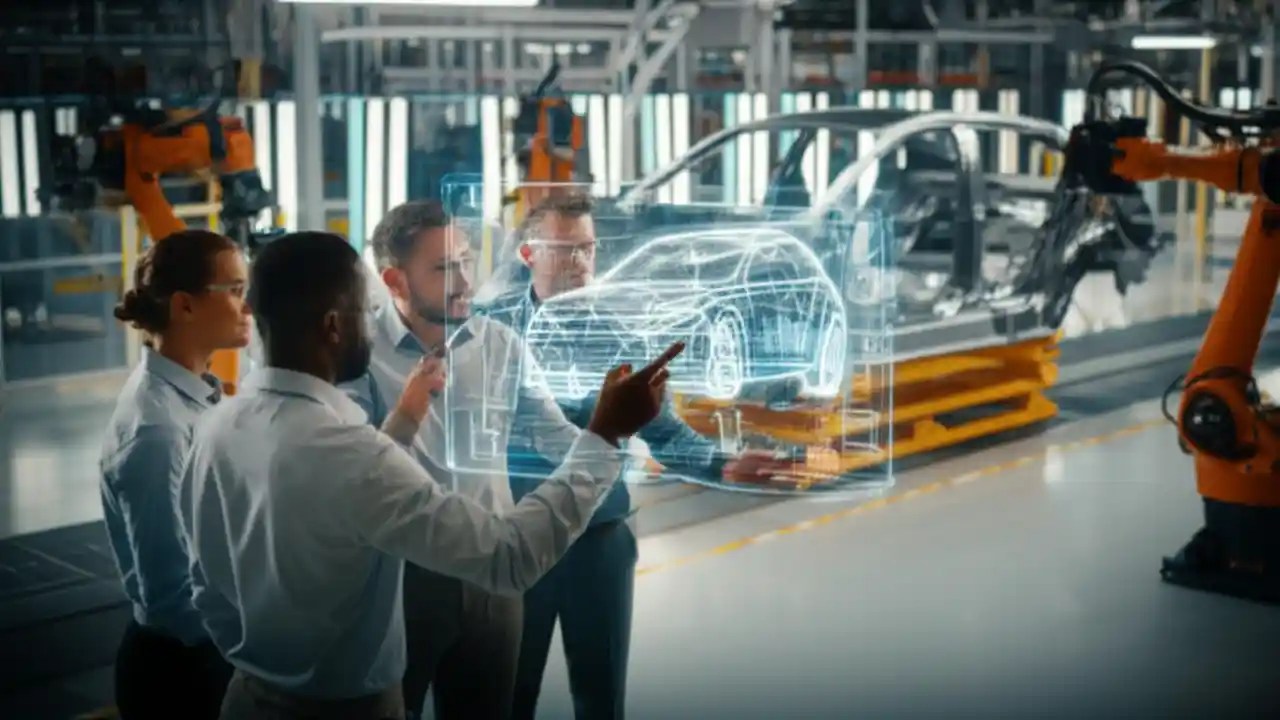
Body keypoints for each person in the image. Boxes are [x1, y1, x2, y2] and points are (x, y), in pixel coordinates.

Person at [178, 231, 679, 720]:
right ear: (333, 326)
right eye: (361, 311)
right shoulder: (352, 453)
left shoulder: (215, 424)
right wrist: (605, 434)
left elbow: (205, 591)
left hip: (249, 695)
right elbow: (508, 556)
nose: (370, 328)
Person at [478, 193, 788, 720]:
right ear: (529, 254)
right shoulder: (491, 329)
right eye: (565, 250)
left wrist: (722, 463)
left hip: (599, 538)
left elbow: (664, 430)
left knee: (601, 699)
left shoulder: (617, 333)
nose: (581, 263)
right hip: (520, 535)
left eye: (589, 249)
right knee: (508, 695)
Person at [341, 200, 600, 720]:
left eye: (464, 261)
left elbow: (555, 436)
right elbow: (354, 475)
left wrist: (614, 439)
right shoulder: (357, 358)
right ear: (394, 281)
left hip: (490, 575)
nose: (463, 281)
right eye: (442, 268)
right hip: (401, 582)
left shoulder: (502, 346)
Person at [100, 229, 250, 719]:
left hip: (209, 652)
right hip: (183, 673)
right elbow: (173, 599)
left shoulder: (199, 397)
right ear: (185, 306)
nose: (248, 306)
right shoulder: (158, 431)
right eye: (236, 290)